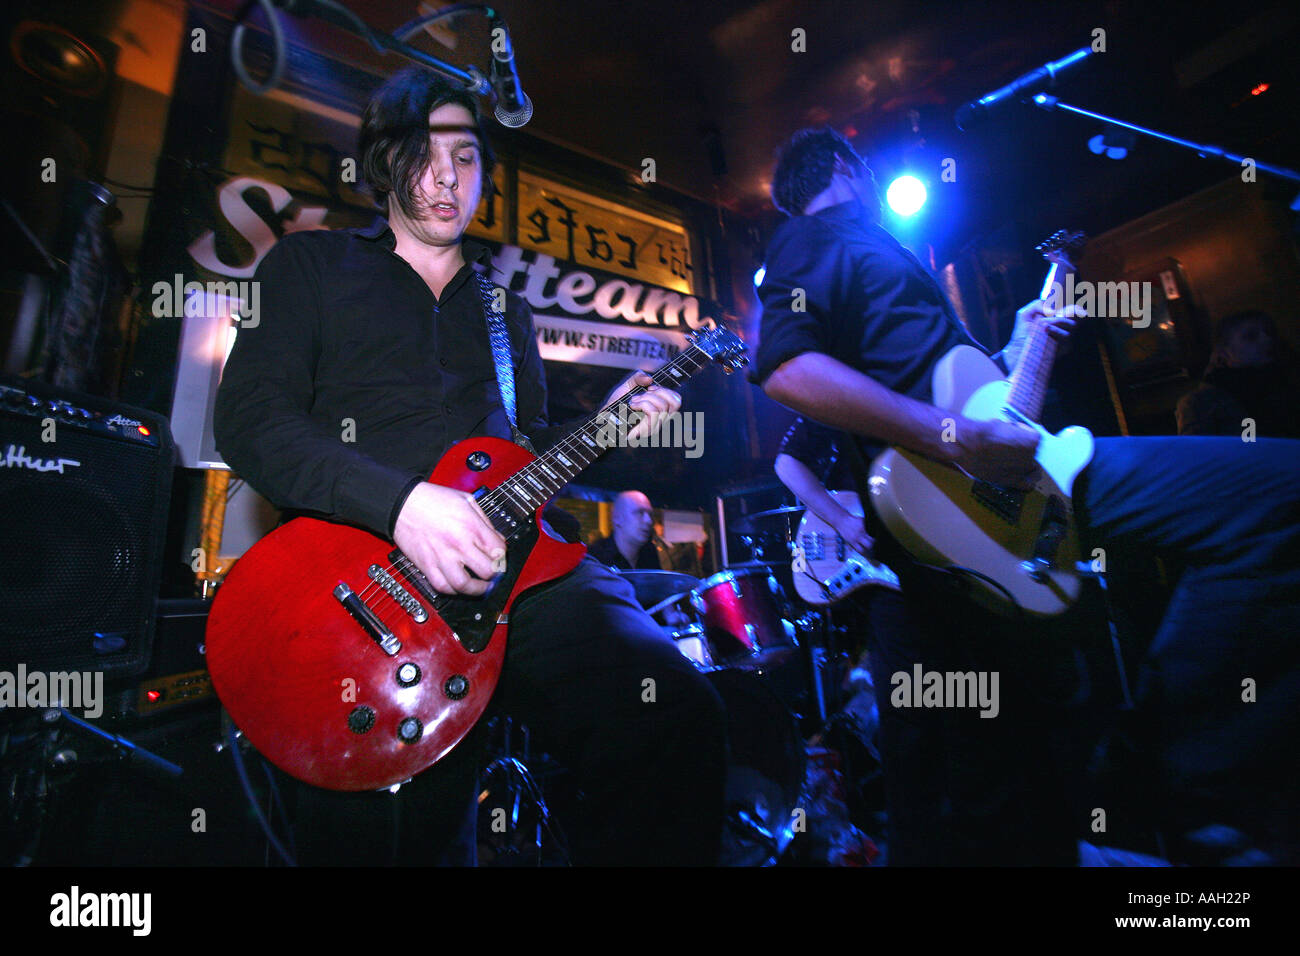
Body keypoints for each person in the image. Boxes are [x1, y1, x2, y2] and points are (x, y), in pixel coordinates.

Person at [213, 67, 726, 866]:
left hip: (522, 573)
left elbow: (524, 449)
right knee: (398, 840)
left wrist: (609, 423)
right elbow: (249, 419)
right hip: (365, 593)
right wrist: (402, 505)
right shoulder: (310, 268)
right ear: (384, 161)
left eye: (468, 157)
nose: (450, 176)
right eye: (425, 153)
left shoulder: (505, 311)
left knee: (673, 714)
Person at [753, 127, 1300, 864]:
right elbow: (786, 368)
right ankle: (1180, 768)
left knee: (1010, 788)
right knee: (1278, 494)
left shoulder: (878, 258)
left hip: (995, 490)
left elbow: (976, 403)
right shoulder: (817, 234)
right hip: (962, 491)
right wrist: (950, 436)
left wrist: (1018, 347)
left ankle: (1165, 769)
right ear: (852, 168)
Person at [1176, 310, 1300, 438]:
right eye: (1251, 336)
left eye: (1269, 332)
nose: (1266, 339)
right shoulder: (1201, 403)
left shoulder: (1286, 379)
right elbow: (1201, 454)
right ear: (1224, 352)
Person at [589, 490, 664, 570]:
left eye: (650, 514)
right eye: (639, 512)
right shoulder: (594, 559)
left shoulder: (649, 554)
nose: (648, 520)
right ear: (617, 517)